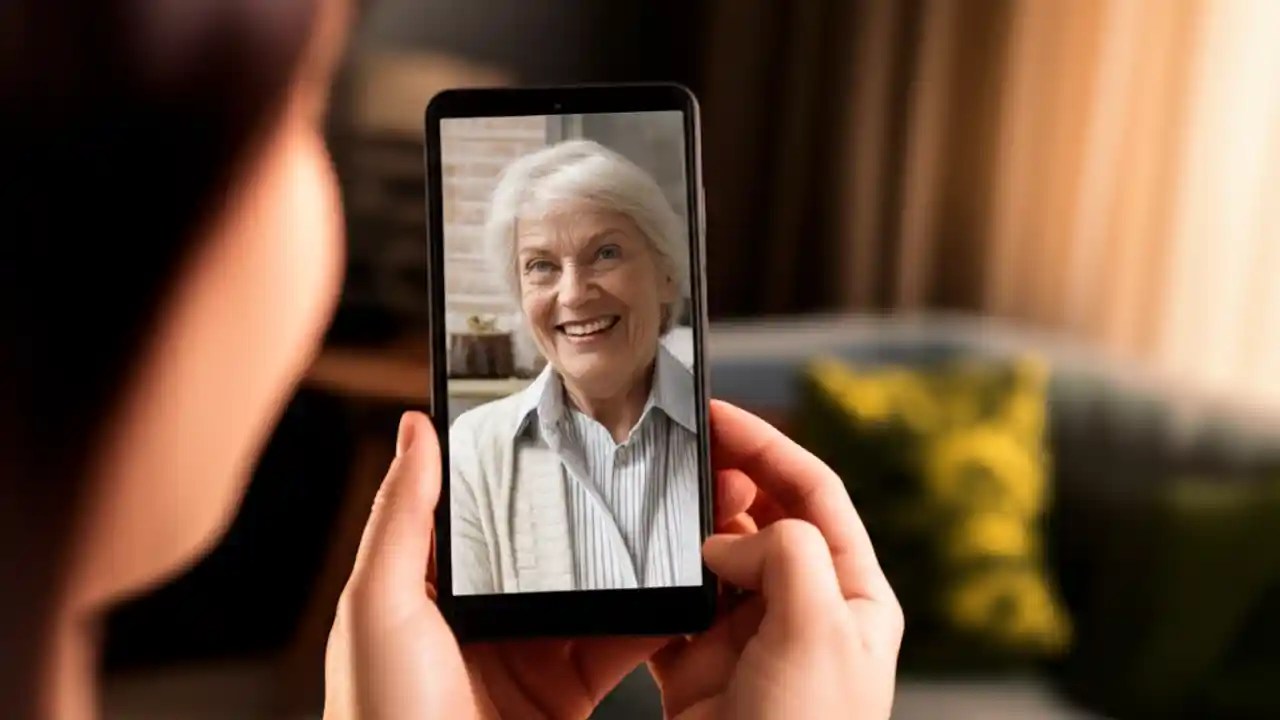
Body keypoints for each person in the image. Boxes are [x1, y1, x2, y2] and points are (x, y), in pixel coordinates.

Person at [0, 1, 903, 718]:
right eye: (304, 112)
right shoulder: (486, 453)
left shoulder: (677, 470)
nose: (572, 294)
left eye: (606, 254)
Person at [450, 139, 700, 594]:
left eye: (606, 253)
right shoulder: (473, 450)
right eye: (541, 265)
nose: (573, 294)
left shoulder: (730, 429)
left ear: (666, 275)